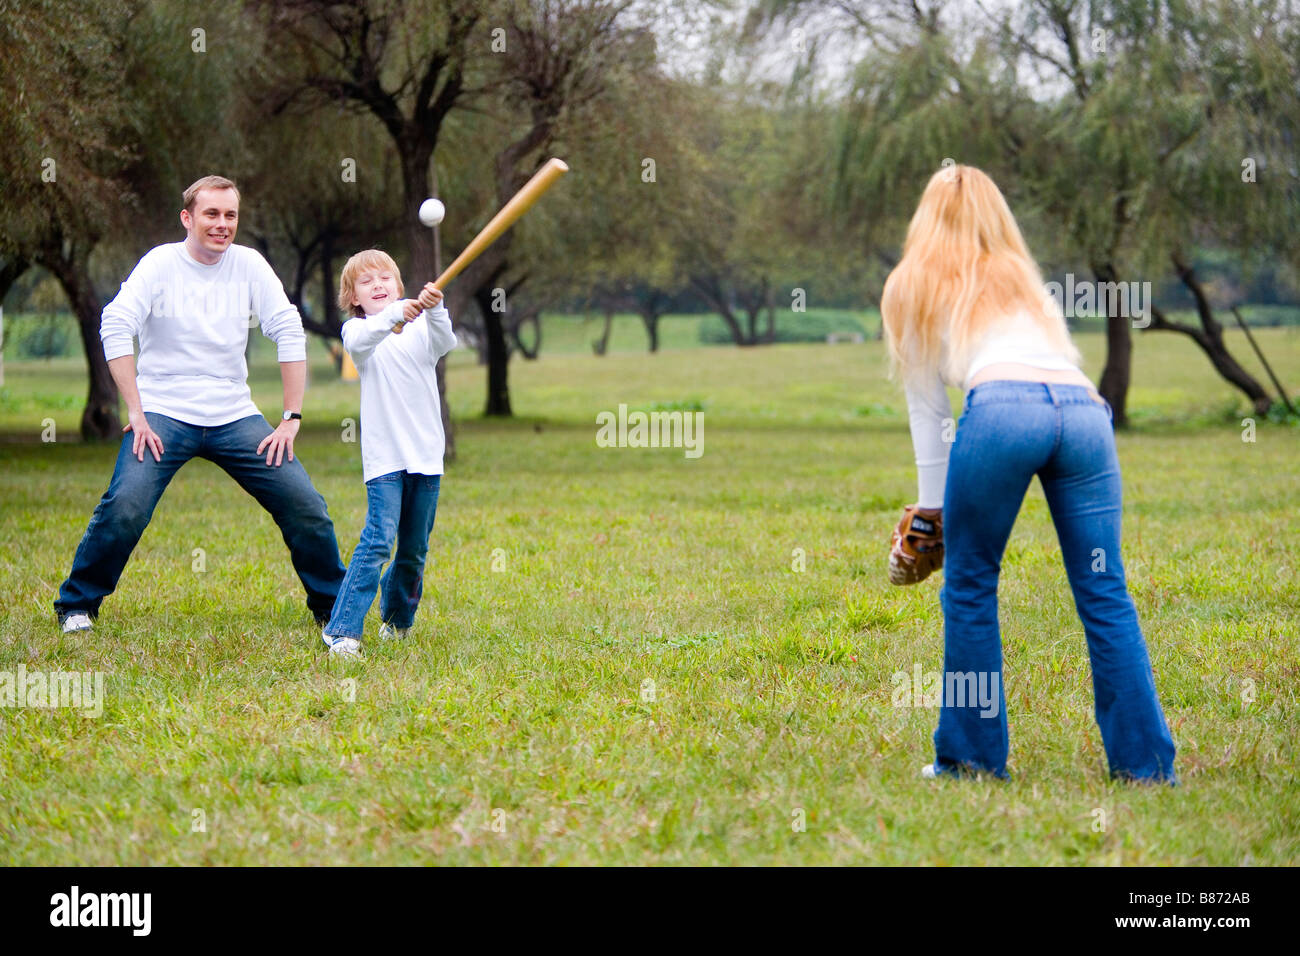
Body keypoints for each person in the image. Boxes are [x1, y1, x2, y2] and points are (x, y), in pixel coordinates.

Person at [880, 164, 1177, 783]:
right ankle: (1147, 768)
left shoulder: (911, 281)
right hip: (1084, 414)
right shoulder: (1022, 278)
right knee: (1105, 591)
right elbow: (1058, 361)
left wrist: (932, 517)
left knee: (968, 585)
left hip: (1002, 411)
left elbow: (930, 411)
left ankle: (970, 762)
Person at [54, 175, 346, 632]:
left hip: (233, 414)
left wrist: (291, 417)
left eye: (231, 215)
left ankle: (334, 609)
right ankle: (77, 605)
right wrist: (136, 409)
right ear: (188, 218)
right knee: (125, 505)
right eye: (212, 214)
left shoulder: (249, 265)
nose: (222, 224)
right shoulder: (160, 264)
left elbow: (288, 328)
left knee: (305, 503)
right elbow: (115, 323)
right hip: (163, 413)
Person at [320, 250, 457, 659]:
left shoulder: (420, 332)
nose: (378, 284)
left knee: (414, 549)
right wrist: (399, 310)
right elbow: (368, 336)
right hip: (385, 461)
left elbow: (445, 341)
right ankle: (341, 630)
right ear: (354, 297)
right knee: (378, 541)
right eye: (367, 282)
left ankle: (396, 621)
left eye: (386, 278)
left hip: (426, 457)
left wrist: (435, 309)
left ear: (399, 285)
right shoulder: (357, 334)